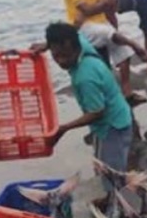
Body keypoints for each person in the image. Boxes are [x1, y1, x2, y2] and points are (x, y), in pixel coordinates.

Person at [43, 22, 134, 198]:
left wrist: (64, 128)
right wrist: (45, 45)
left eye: (65, 56)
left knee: (109, 174)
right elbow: (69, 35)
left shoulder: (85, 78)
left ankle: (117, 206)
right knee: (108, 165)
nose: (61, 61)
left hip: (111, 126)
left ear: (73, 48)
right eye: (56, 55)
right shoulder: (82, 44)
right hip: (120, 114)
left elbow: (97, 112)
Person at [64, 0, 147, 102]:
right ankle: (136, 45)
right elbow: (85, 10)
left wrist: (113, 22)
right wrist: (101, 5)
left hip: (99, 22)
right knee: (106, 33)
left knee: (122, 49)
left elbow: (106, 6)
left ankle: (127, 92)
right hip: (81, 26)